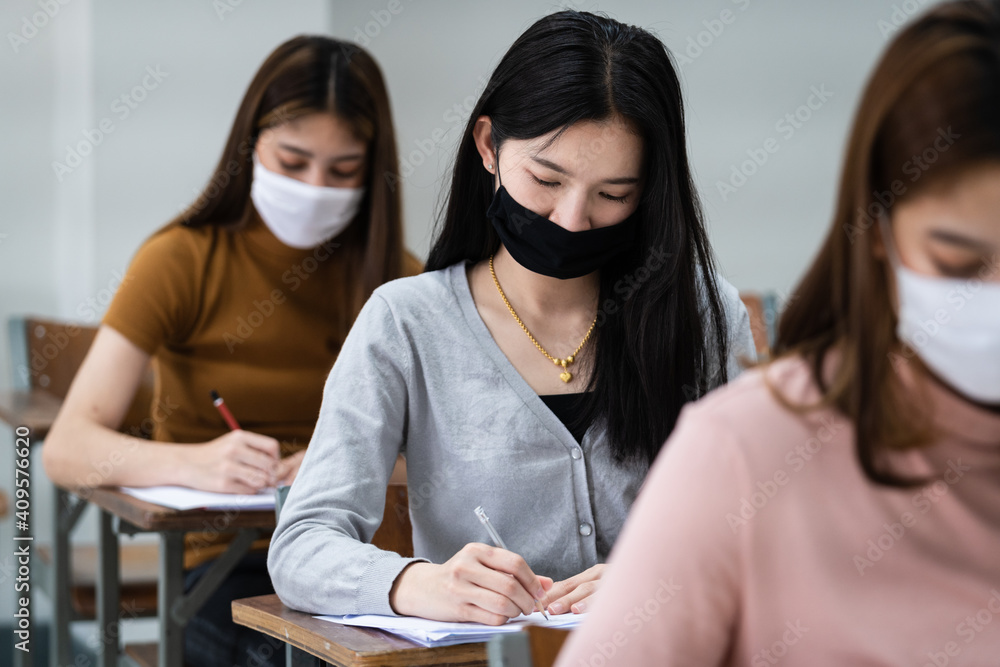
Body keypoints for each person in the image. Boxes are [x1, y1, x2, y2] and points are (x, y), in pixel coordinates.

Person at [268, 11, 755, 625]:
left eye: (613, 195)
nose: (572, 219)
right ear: (488, 147)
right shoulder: (406, 323)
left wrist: (672, 577)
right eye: (546, 180)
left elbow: (777, 529)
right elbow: (302, 545)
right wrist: (416, 584)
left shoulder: (706, 316)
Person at [556, 1, 1000, 664]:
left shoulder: (706, 314)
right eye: (958, 264)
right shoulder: (746, 456)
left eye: (613, 192)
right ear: (876, 227)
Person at [42, 36, 420, 667]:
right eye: (292, 161)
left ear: (374, 168)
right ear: (250, 146)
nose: (314, 187)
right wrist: (194, 464)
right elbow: (65, 450)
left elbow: (453, 446)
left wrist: (349, 465)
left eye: (344, 170)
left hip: (371, 568)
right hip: (228, 568)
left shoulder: (399, 281)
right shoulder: (180, 261)